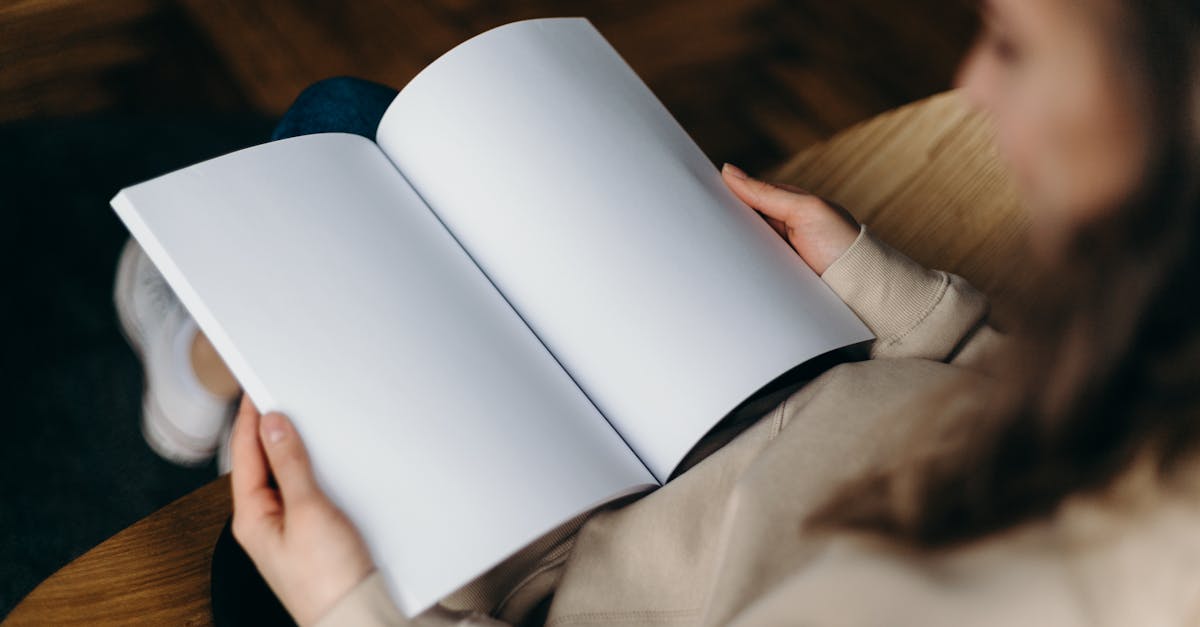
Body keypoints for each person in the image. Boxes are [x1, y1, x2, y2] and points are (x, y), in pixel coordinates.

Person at [115, 0, 1200, 624]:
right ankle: (203, 370)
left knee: (333, 155)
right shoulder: (1167, 379)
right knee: (363, 130)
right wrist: (899, 301)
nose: (973, 79)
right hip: (784, 369)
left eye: (1017, 46)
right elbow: (1030, 413)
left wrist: (348, 603)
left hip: (556, 553)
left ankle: (196, 371)